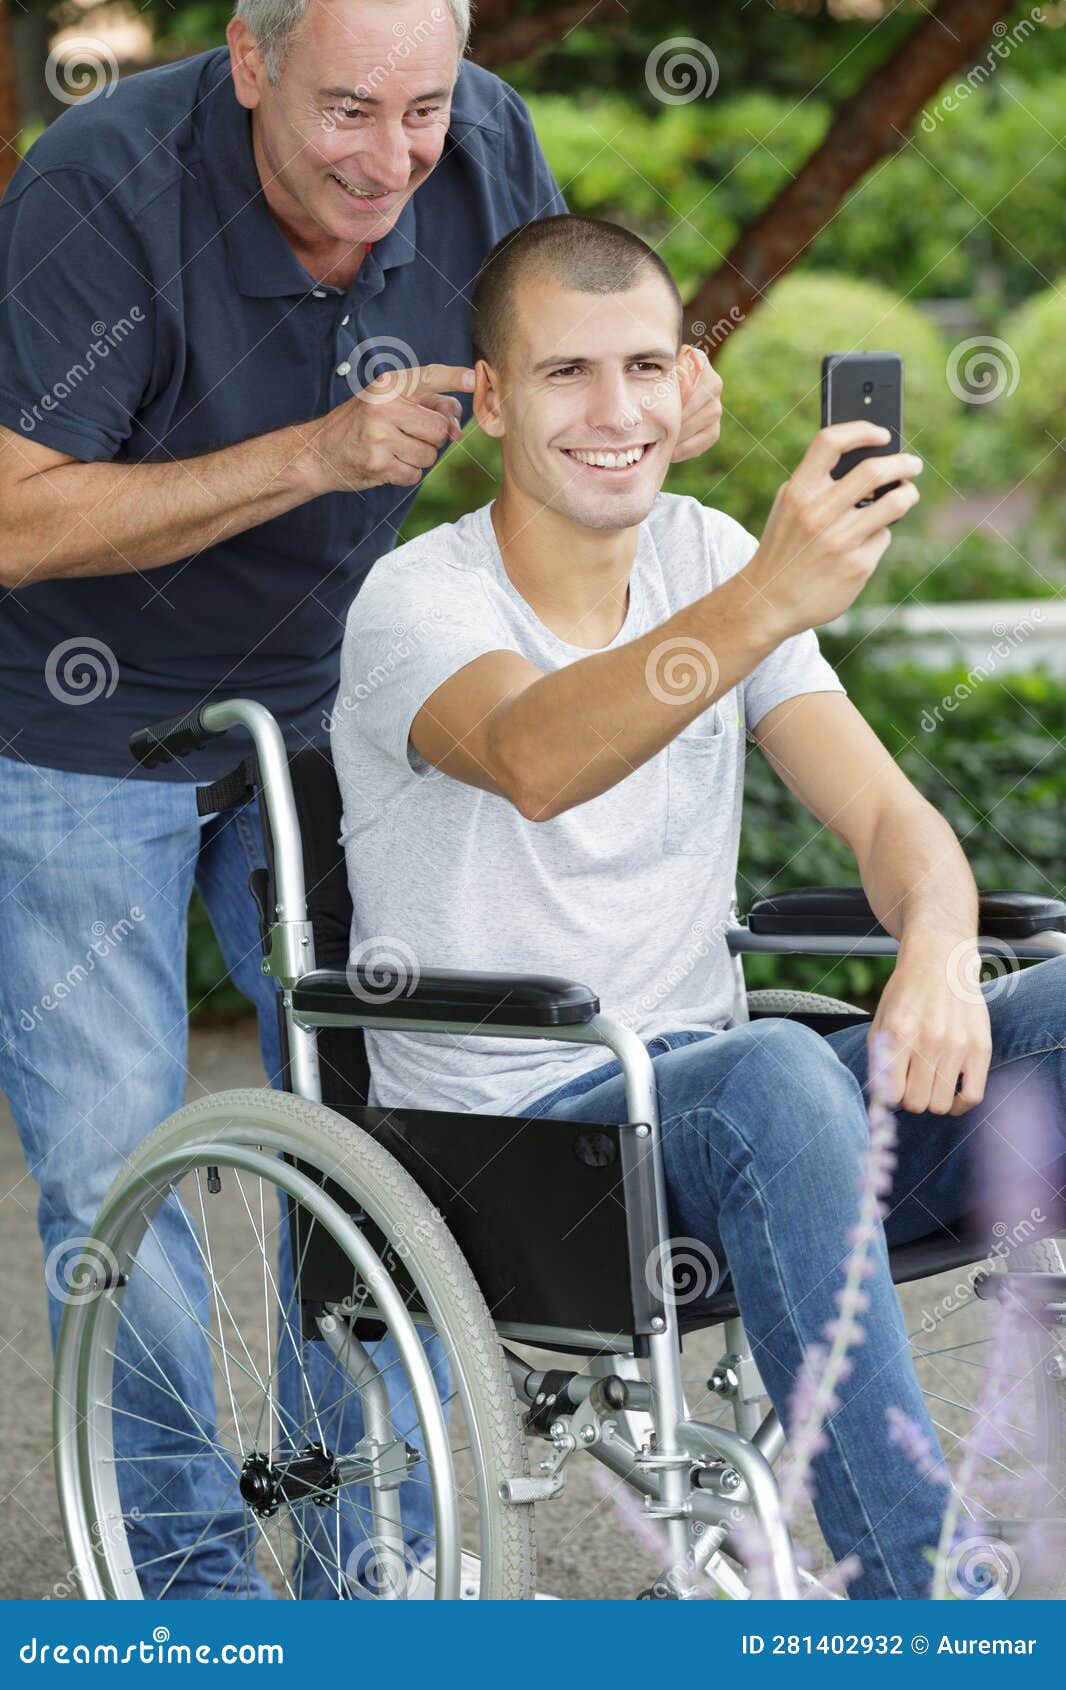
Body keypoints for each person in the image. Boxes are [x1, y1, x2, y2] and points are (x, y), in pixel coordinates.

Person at [0, 0, 722, 1598]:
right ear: (250, 65)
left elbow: (546, 376)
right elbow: (9, 520)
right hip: (62, 714)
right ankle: (185, 1575)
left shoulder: (482, 139)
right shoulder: (100, 183)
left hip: (324, 697)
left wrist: (636, 407)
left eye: (421, 108)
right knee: (115, 1154)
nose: (392, 156)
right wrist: (314, 454)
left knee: (362, 1120)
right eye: (344, 111)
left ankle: (360, 1543)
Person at [331, 212, 1066, 1599]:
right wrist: (767, 595)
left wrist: (931, 954)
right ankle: (909, 1599)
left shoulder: (702, 553)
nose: (616, 413)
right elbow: (537, 756)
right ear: (489, 400)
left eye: (645, 367)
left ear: (685, 382)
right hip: (516, 1148)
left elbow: (891, 820)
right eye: (564, 376)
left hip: (723, 1115)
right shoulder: (415, 602)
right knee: (772, 1073)